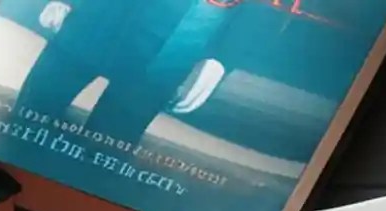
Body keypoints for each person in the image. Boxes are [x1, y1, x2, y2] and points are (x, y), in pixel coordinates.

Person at [13, 0, 233, 145]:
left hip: (181, 37)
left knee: (104, 157)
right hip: (94, 17)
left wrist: (221, 56)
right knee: (22, 125)